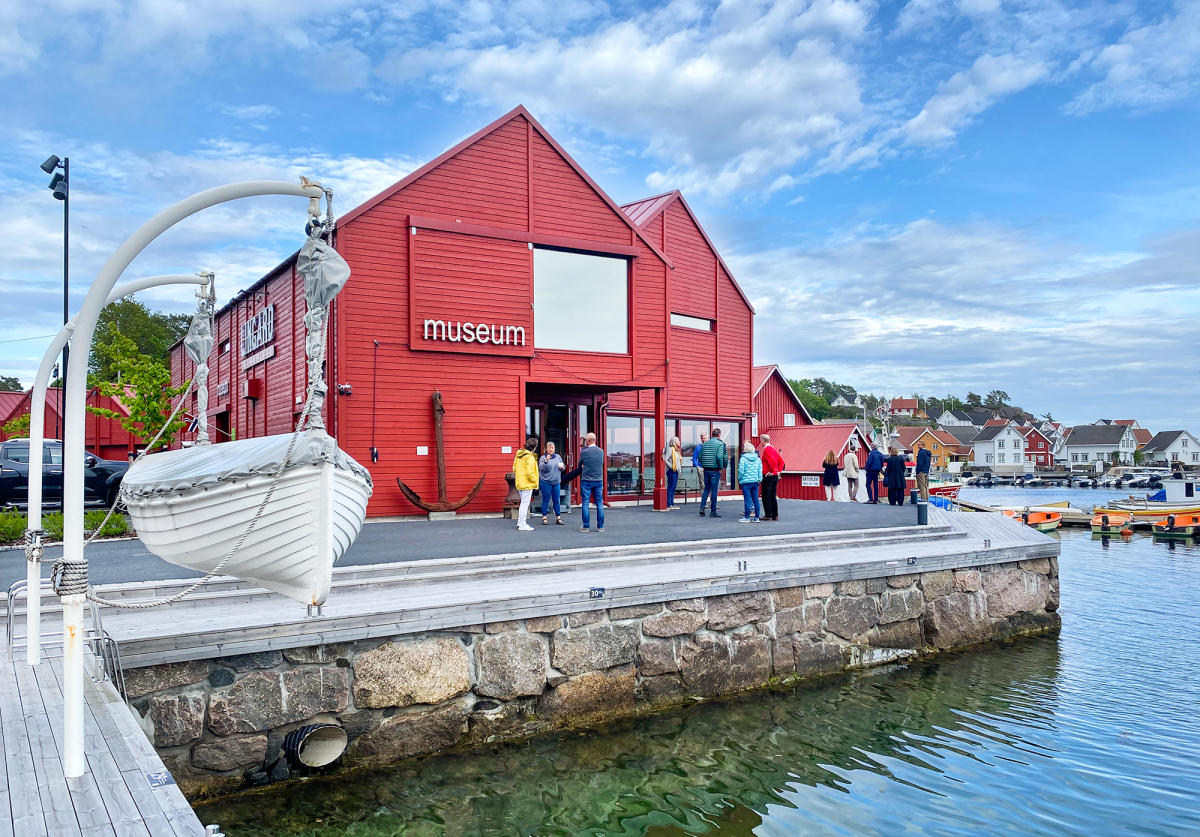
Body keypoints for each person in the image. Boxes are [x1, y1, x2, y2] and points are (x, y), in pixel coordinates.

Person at [578, 432, 605, 532]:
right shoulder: (601, 451)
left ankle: (586, 526)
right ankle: (600, 527)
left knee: (585, 502)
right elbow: (601, 464)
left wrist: (584, 466)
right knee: (599, 503)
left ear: (588, 441)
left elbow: (579, 464)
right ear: (595, 440)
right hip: (598, 480)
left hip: (586, 480)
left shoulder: (584, 452)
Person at [697, 428, 727, 517]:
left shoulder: (705, 444)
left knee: (706, 489)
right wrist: (722, 467)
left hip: (706, 469)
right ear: (719, 435)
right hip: (715, 470)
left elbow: (699, 456)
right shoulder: (720, 444)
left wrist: (704, 464)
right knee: (714, 491)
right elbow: (720, 457)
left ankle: (702, 507)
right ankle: (713, 511)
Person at [512, 437, 539, 531]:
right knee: (525, 504)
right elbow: (530, 472)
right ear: (534, 447)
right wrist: (535, 481)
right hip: (527, 483)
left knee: (523, 504)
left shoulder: (519, 455)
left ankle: (520, 523)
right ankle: (522, 524)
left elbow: (514, 469)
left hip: (519, 482)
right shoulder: (530, 457)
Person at [538, 441, 565, 525]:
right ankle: (544, 518)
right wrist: (547, 460)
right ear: (546, 449)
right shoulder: (543, 458)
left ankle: (558, 518)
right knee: (546, 499)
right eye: (549, 448)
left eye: (552, 448)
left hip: (556, 482)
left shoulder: (558, 457)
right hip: (546, 481)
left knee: (556, 500)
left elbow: (563, 467)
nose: (551, 449)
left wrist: (562, 468)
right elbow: (542, 468)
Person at [760, 433, 785, 521]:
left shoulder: (767, 449)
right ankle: (775, 515)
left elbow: (773, 461)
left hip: (768, 475)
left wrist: (772, 471)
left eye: (761, 440)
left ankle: (768, 515)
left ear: (763, 440)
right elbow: (781, 462)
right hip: (774, 475)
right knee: (772, 495)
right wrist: (778, 472)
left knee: (766, 495)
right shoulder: (773, 449)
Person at [737, 441, 763, 522]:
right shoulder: (758, 459)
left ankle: (747, 517)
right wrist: (759, 479)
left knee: (747, 499)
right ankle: (757, 518)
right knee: (755, 499)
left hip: (746, 482)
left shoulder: (743, 459)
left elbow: (741, 470)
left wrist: (740, 479)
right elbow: (760, 470)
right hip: (755, 482)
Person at [663, 436, 682, 509]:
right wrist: (671, 466)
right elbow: (665, 459)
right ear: (674, 442)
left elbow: (678, 462)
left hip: (676, 471)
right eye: (678, 441)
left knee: (673, 488)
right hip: (671, 471)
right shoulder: (671, 449)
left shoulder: (677, 450)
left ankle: (672, 503)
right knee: (670, 487)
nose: (679, 442)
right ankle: (669, 504)